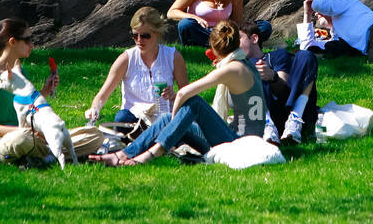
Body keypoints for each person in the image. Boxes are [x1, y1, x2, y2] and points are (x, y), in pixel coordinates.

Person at [90, 20, 266, 166]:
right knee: (166, 118)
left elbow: (184, 93)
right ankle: (121, 155)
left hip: (241, 143)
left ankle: (152, 153)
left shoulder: (232, 69)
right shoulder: (245, 65)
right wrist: (172, 121)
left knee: (195, 103)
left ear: (214, 48)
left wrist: (175, 125)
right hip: (236, 136)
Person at [0, 18, 61, 161]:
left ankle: (50, 151)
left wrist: (45, 91)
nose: (32, 45)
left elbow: (27, 107)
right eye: (27, 40)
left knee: (92, 135)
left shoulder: (21, 72)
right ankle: (53, 152)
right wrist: (24, 132)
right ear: (12, 42)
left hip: (27, 135)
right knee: (21, 140)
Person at [84, 7, 189, 126]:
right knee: (121, 117)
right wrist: (94, 109)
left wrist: (174, 96)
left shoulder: (173, 56)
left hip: (164, 119)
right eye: (135, 35)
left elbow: (187, 96)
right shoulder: (126, 59)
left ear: (157, 33)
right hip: (134, 120)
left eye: (145, 36)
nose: (139, 40)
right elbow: (102, 95)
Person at [247, 13, 320, 146]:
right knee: (249, 69)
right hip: (264, 115)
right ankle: (267, 126)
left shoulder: (275, 55)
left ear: (254, 39)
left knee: (306, 55)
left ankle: (295, 121)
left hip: (291, 108)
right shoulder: (239, 65)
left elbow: (284, 90)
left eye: (237, 39)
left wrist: (272, 77)